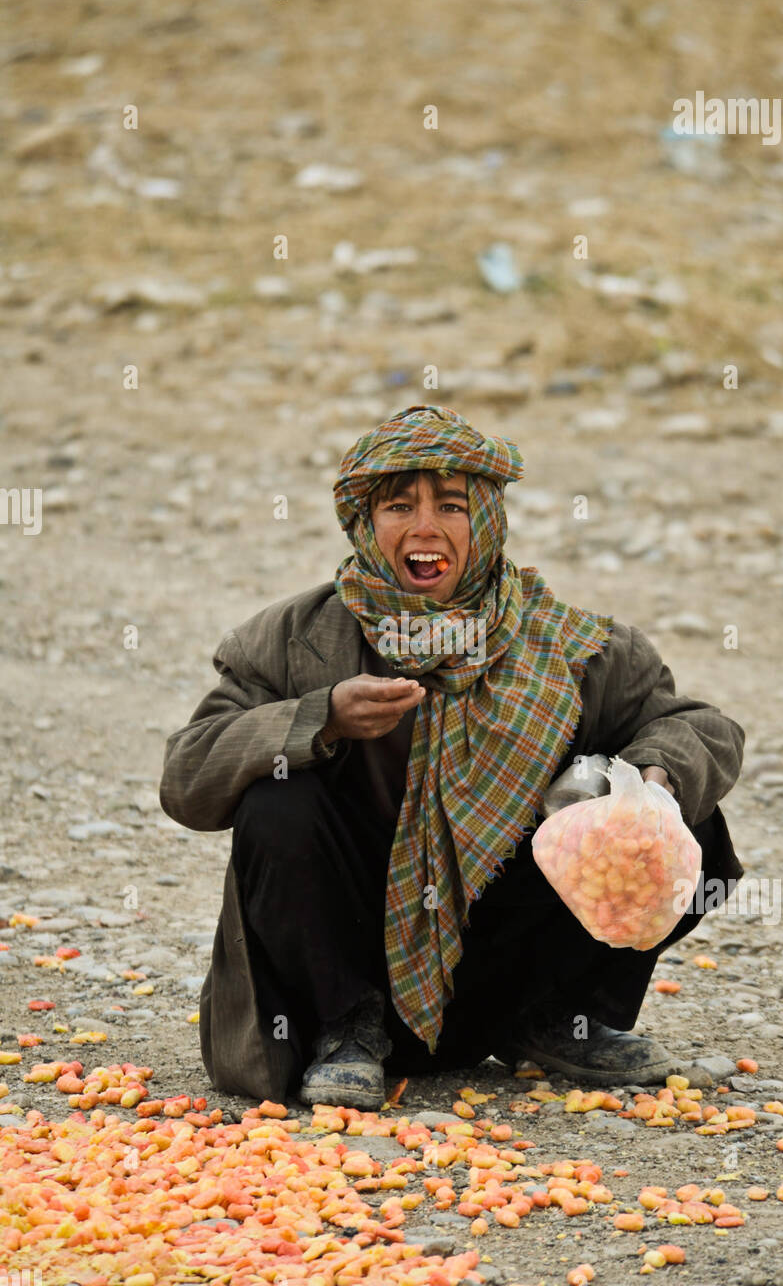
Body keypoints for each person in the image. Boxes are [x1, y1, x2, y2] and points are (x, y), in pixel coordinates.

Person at [159, 404, 745, 1110]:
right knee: (278, 801)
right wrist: (320, 718)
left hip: (496, 963)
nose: (426, 527)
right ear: (363, 526)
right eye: (398, 505)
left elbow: (698, 727)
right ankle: (350, 1029)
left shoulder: (571, 646)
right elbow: (188, 779)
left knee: (684, 822)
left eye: (452, 505)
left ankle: (558, 1019)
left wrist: (649, 783)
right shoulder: (294, 639)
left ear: (489, 521)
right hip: (345, 961)